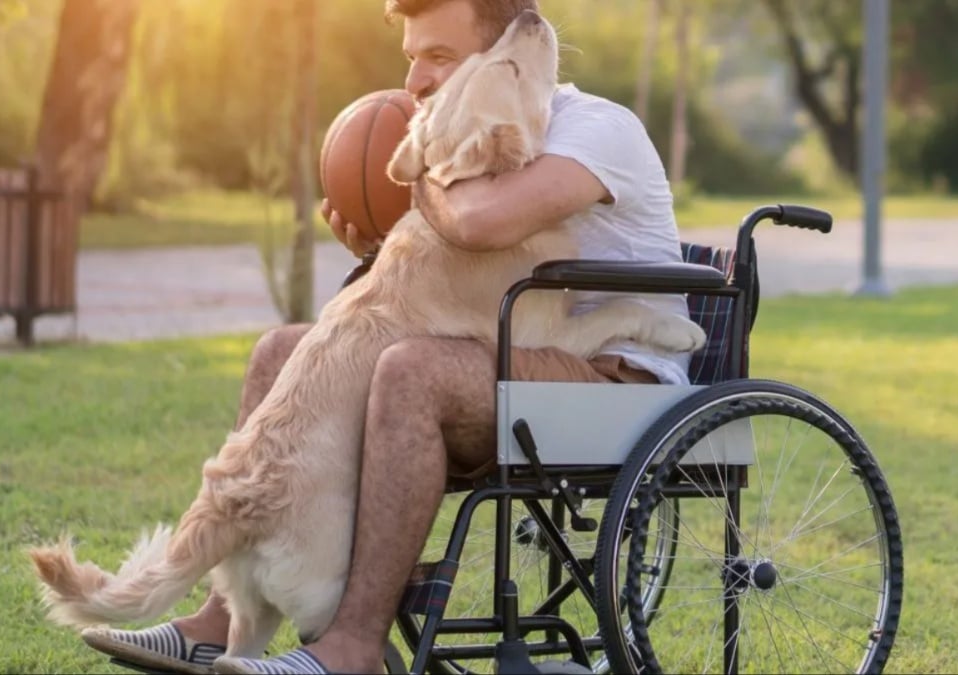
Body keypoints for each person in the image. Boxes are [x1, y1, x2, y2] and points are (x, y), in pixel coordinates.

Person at [79, 0, 692, 673]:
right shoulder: (467, 131)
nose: (415, 81)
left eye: (439, 57)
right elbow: (454, 279)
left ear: (499, 52)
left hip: (614, 375)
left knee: (412, 373)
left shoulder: (595, 128)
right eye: (412, 58)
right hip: (511, 348)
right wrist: (383, 246)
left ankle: (353, 646)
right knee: (282, 350)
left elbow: (480, 225)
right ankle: (224, 618)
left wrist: (420, 165)